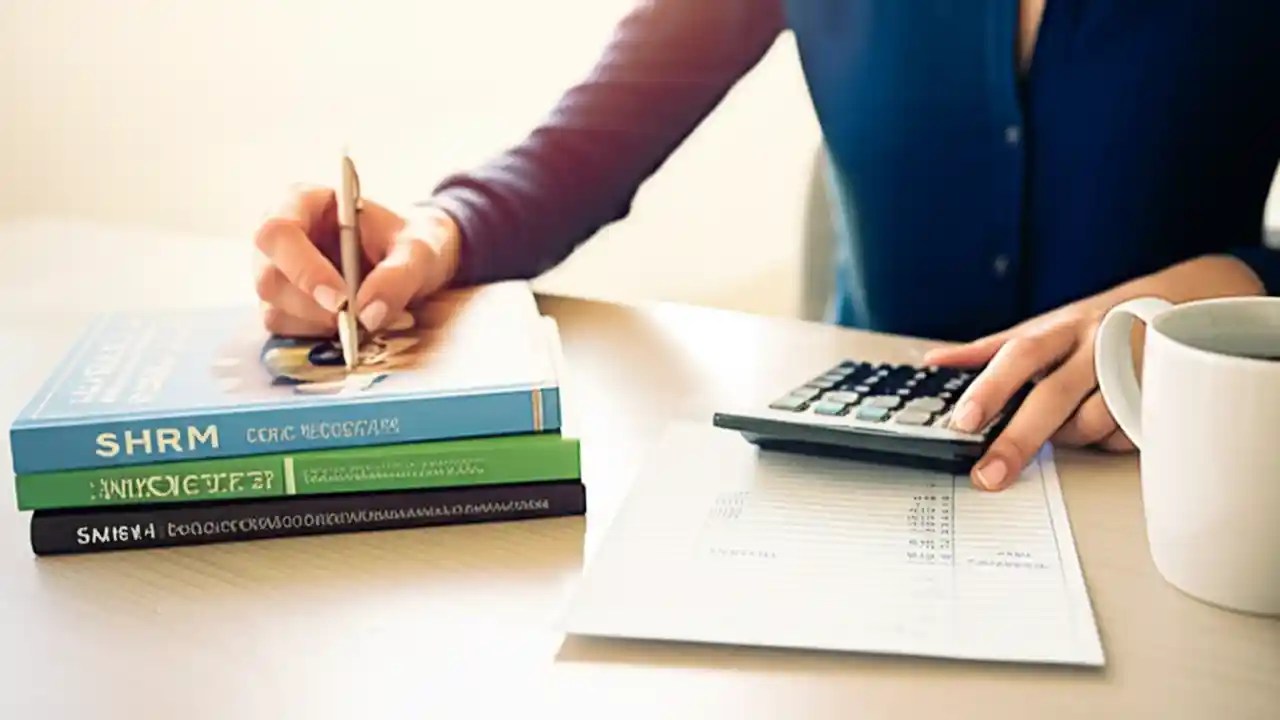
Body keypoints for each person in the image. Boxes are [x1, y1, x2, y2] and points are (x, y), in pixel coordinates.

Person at [251, 0, 1279, 491]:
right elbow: (596, 137)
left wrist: (1229, 293)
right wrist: (434, 237)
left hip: (1184, 474)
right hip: (848, 469)